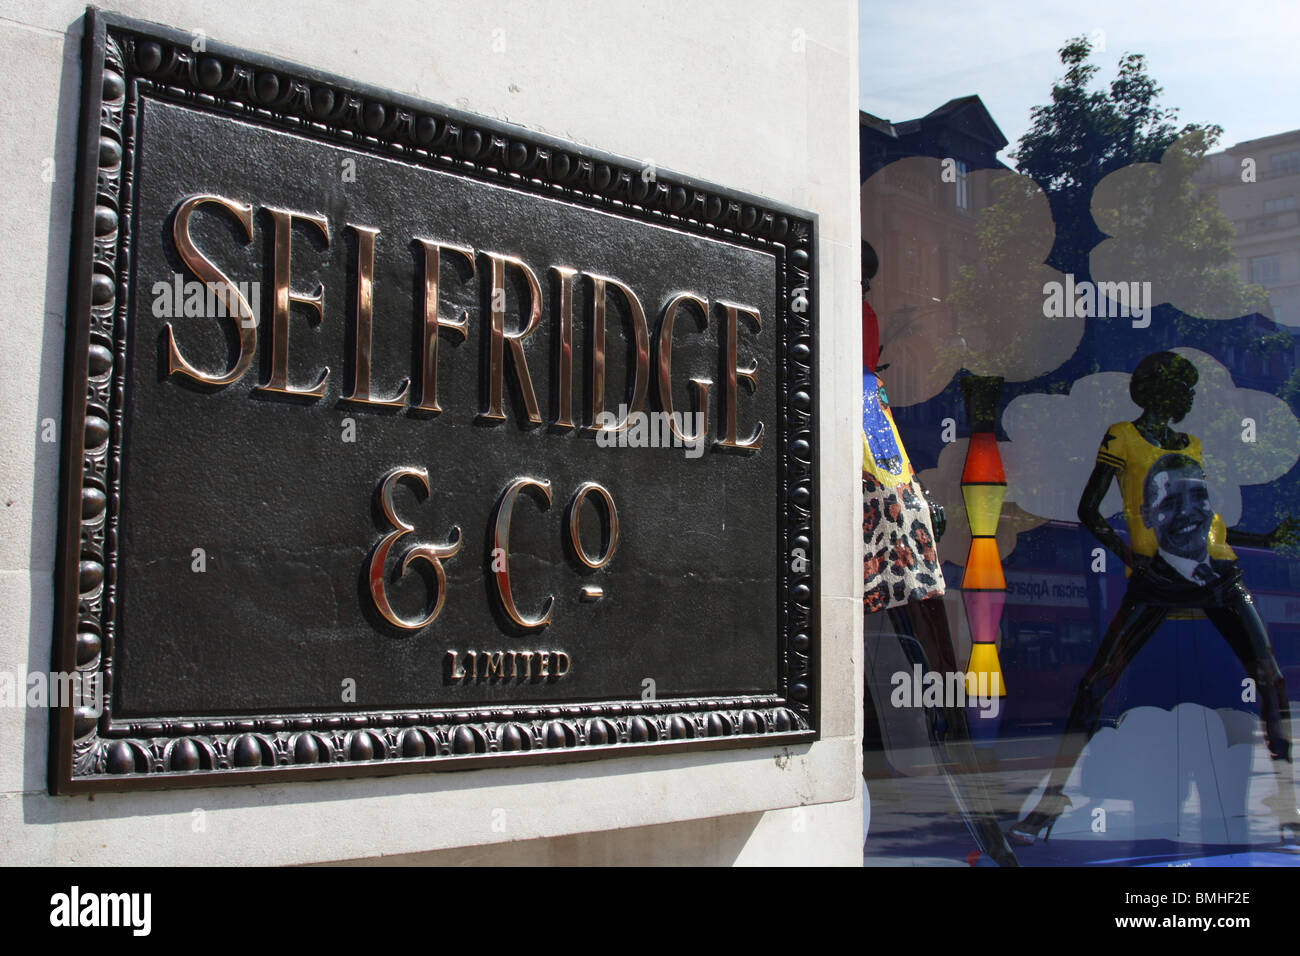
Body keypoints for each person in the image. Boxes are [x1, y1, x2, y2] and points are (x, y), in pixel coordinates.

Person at [1010, 351, 1299, 845]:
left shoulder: (1194, 446)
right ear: (1159, 390)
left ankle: (1289, 805)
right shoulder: (1123, 437)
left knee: (1269, 675)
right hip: (1157, 576)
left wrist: (1267, 540)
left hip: (1218, 574)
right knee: (1096, 683)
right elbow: (1089, 510)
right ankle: (1050, 803)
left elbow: (1207, 523)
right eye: (1183, 388)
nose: (1189, 398)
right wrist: (1132, 556)